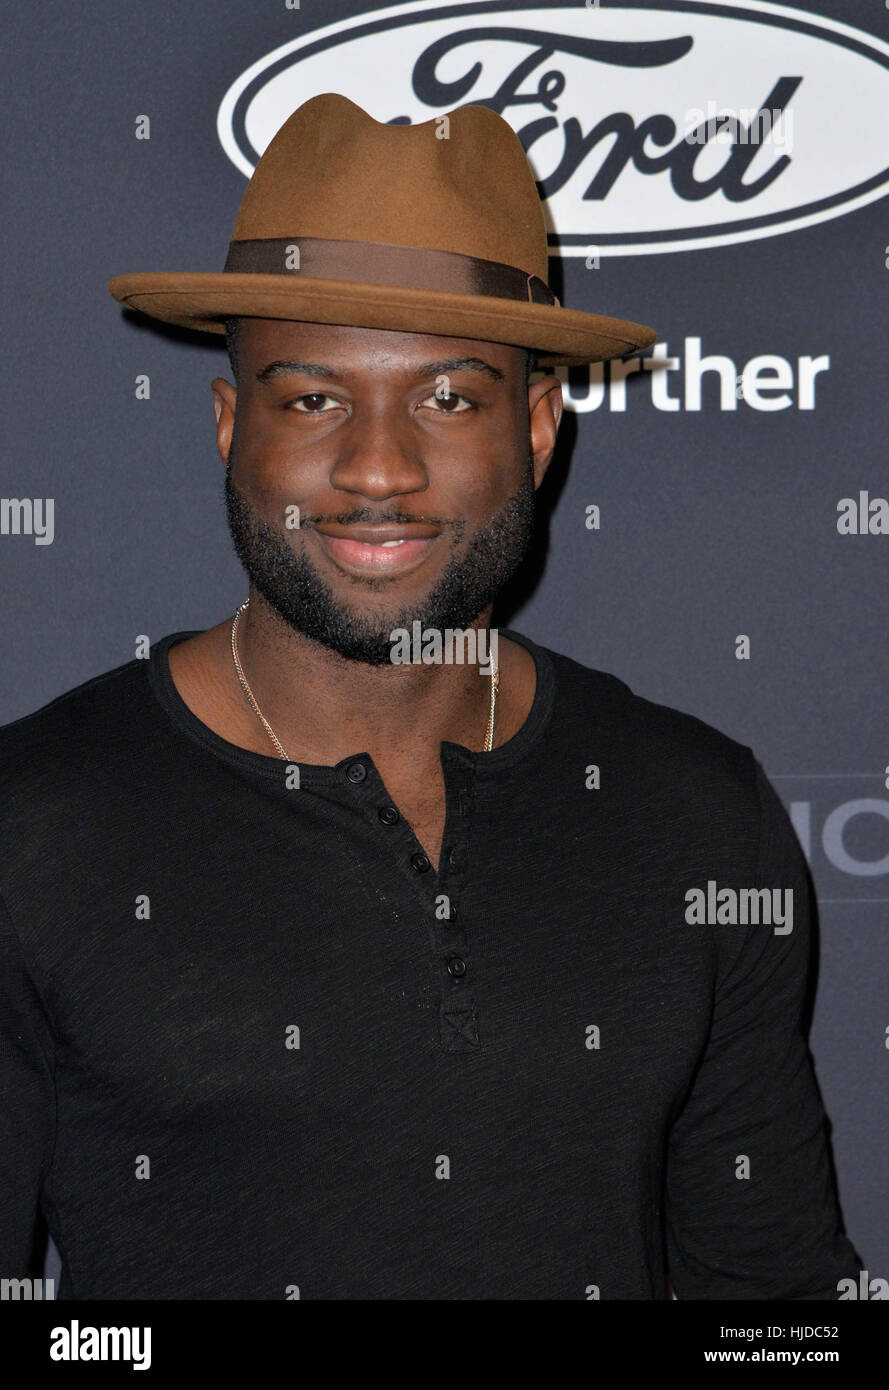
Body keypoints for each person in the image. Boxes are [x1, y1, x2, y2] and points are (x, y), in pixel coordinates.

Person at [0, 94, 861, 1299]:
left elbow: (774, 1305)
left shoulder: (696, 811)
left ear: (541, 428)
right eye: (311, 397)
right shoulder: (31, 824)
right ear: (229, 422)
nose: (377, 467)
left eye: (450, 397)